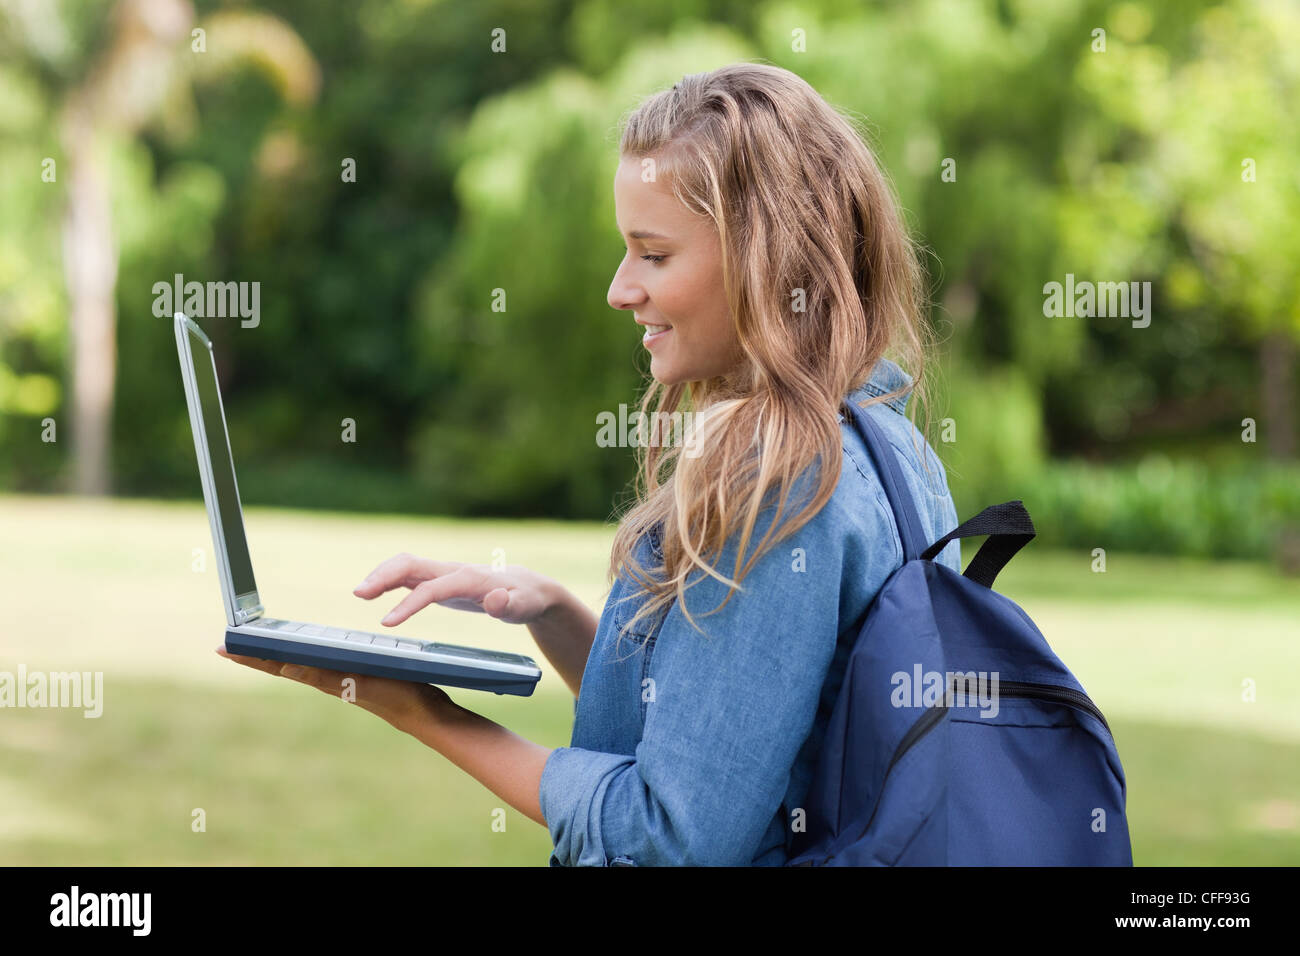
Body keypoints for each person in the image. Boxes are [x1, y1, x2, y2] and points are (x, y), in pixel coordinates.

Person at [220, 61, 963, 866]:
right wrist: (556, 616)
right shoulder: (890, 446)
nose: (619, 289)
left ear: (767, 259)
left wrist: (427, 716)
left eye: (653, 254)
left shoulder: (781, 484)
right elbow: (741, 739)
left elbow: (673, 837)